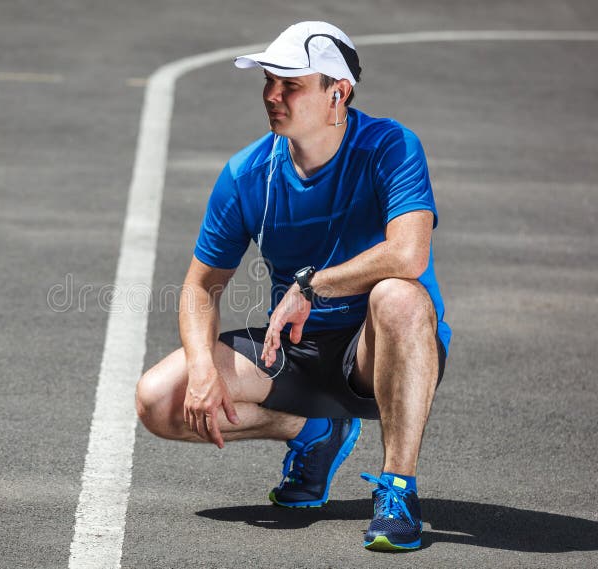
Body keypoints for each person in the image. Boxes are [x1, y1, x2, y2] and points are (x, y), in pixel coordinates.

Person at [135, 20, 451, 552]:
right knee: (158, 401)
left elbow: (408, 253)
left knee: (398, 295)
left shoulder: (390, 146)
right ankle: (313, 433)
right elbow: (199, 286)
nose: (272, 96)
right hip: (299, 350)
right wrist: (203, 369)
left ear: (338, 93)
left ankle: (397, 488)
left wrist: (311, 286)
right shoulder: (247, 173)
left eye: (291, 85)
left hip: (379, 350)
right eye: (268, 81)